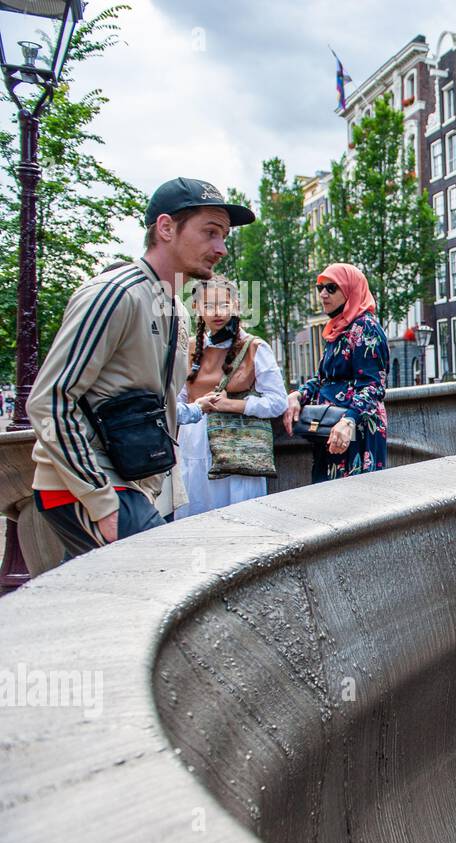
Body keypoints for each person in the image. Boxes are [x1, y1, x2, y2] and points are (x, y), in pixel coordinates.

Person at [26, 178, 254, 558]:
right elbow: (48, 400)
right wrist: (101, 501)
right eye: (210, 232)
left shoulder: (176, 310)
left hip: (132, 484)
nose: (221, 248)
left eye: (224, 236)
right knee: (172, 572)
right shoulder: (114, 294)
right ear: (166, 228)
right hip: (88, 485)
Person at [173, 276, 287, 518]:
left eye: (224, 305)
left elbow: (278, 402)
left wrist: (231, 405)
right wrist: (196, 407)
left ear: (236, 305)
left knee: (239, 516)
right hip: (194, 447)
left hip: (238, 448)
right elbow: (177, 400)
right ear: (197, 308)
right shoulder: (188, 349)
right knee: (196, 516)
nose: (217, 312)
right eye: (208, 305)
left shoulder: (255, 347)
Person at [283, 264, 389, 482]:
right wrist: (298, 395)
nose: (323, 294)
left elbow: (373, 386)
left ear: (351, 290)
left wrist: (348, 420)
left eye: (331, 288)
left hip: (355, 432)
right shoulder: (339, 329)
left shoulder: (365, 328)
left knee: (354, 496)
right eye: (320, 288)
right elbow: (323, 379)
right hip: (331, 430)